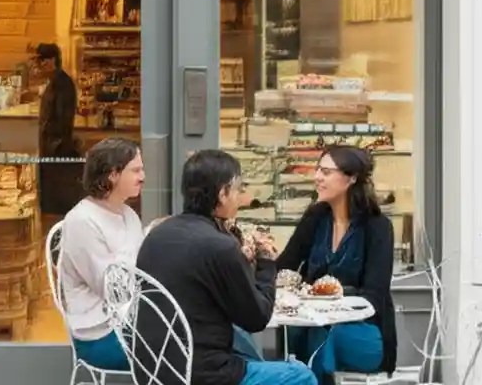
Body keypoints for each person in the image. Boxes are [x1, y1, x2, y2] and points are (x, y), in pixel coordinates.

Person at [135, 150, 315, 385]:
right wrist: (266, 262)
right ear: (222, 194)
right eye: (238, 189)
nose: (241, 197)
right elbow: (257, 319)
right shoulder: (219, 245)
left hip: (152, 367)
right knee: (301, 375)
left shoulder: (158, 234)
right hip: (199, 373)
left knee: (246, 347)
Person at [277, 146, 396, 384]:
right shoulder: (315, 218)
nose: (317, 177)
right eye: (318, 169)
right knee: (296, 331)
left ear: (351, 178)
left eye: (326, 171)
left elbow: (374, 295)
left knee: (323, 334)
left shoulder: (377, 227)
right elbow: (284, 266)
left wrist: (326, 301)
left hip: (363, 332)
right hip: (313, 325)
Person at [58, 137, 146, 371]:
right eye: (135, 170)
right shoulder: (82, 221)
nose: (142, 177)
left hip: (132, 323)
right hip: (100, 334)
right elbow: (114, 289)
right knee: (188, 350)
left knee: (206, 334)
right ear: (112, 175)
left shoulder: (129, 215)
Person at [36, 43, 82, 227]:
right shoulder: (58, 81)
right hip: (53, 146)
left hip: (56, 148)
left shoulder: (61, 83)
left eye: (42, 60)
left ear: (52, 60)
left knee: (57, 201)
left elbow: (62, 119)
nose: (39, 65)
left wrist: (55, 144)